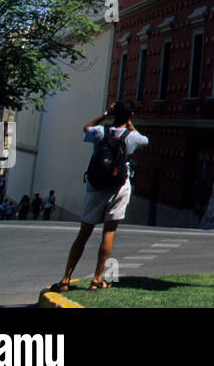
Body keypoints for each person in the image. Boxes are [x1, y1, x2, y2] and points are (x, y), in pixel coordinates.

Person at [52, 101, 148, 291]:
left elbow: (86, 128)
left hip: (95, 188)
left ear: (113, 114)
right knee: (109, 232)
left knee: (83, 234)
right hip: (119, 188)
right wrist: (129, 123)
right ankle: (97, 279)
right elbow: (145, 141)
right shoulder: (132, 136)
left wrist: (105, 114)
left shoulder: (100, 132)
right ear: (131, 115)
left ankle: (65, 279)